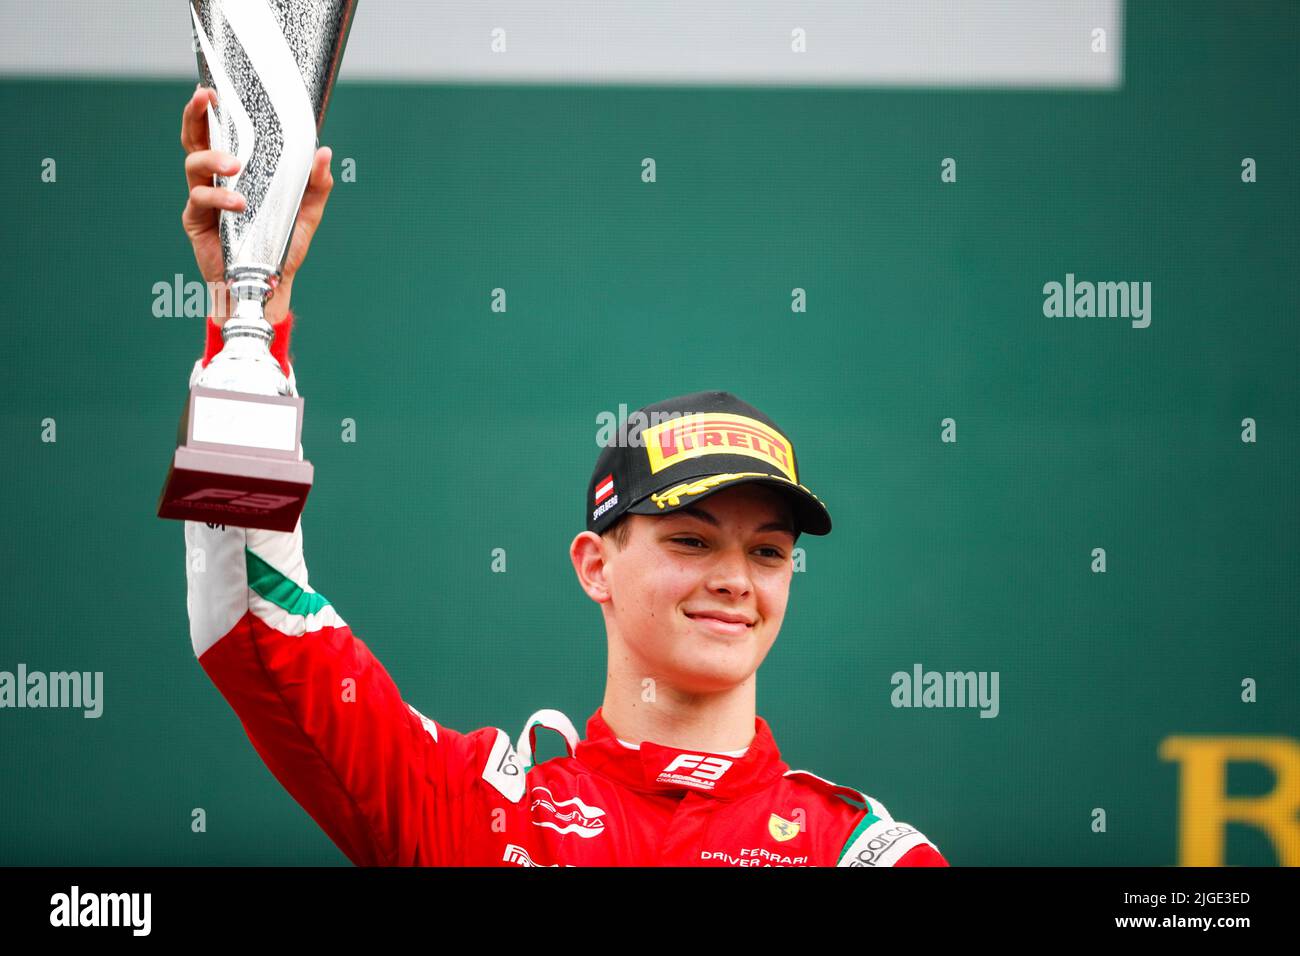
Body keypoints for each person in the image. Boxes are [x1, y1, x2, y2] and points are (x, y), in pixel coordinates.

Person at [178, 85, 948, 867]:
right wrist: (246, 316)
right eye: (691, 539)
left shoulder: (867, 854)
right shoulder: (480, 812)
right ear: (594, 566)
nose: (734, 580)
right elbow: (251, 621)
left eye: (768, 552)